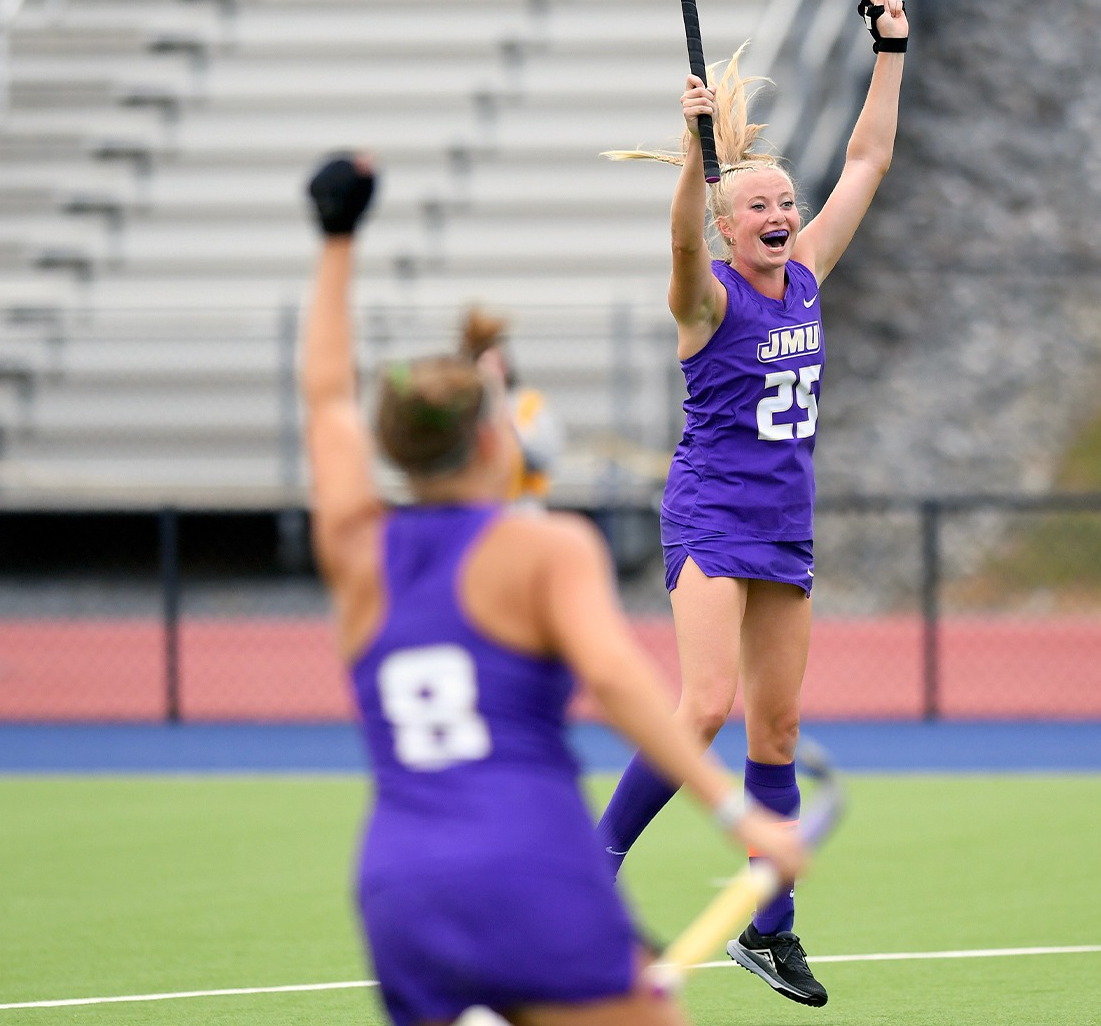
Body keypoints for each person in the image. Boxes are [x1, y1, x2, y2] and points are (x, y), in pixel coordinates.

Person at [302, 153, 805, 1026]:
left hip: (397, 887)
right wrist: (736, 814)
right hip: (529, 863)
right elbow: (617, 686)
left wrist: (336, 236)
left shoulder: (354, 549)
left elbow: (324, 401)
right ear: (497, 444)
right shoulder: (546, 551)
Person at [590, 0, 908, 1007]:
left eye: (785, 203)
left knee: (775, 732)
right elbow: (679, 247)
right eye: (760, 208)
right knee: (709, 703)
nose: (781, 216)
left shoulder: (806, 271)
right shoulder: (707, 298)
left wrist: (890, 51)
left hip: (784, 524)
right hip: (712, 515)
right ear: (730, 228)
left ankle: (770, 933)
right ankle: (593, 865)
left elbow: (867, 162)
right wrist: (694, 160)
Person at [457, 306, 567, 507]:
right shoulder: (461, 405)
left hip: (521, 505)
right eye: (484, 364)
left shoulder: (529, 404)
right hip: (475, 506)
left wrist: (507, 420)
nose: (491, 372)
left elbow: (545, 457)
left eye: (495, 363)